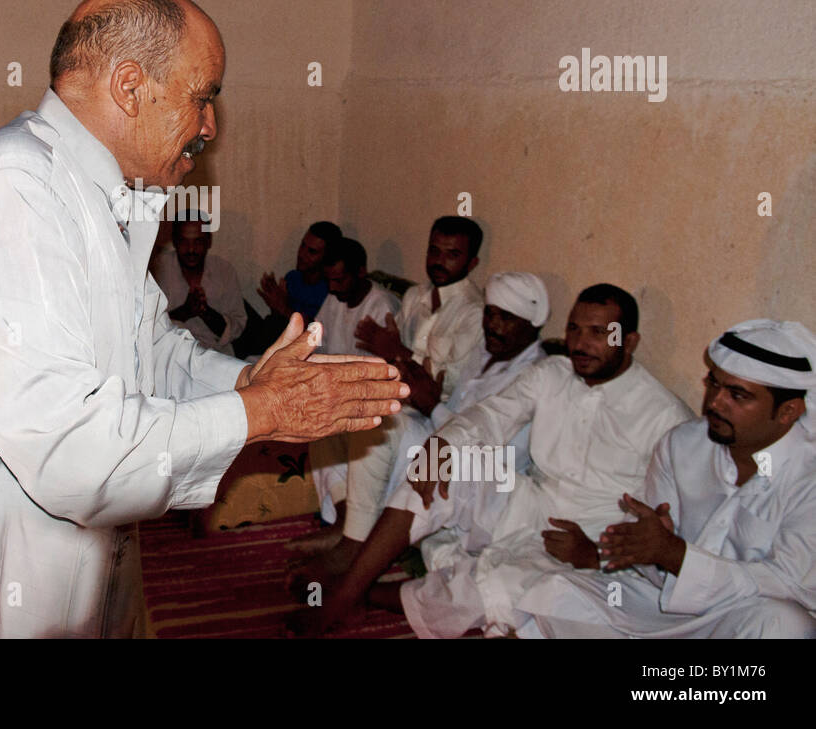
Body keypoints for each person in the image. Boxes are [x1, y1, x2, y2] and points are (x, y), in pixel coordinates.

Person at [0, 0, 410, 638]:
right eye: (203, 97)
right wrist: (261, 412)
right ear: (130, 87)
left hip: (70, 564)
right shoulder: (11, 192)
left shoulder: (99, 198)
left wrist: (247, 382)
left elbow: (150, 352)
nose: (209, 127)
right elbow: (71, 450)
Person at [292, 283, 694, 638]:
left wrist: (596, 553)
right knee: (438, 465)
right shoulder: (554, 372)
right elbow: (491, 416)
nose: (580, 343)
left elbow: (663, 526)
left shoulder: (666, 417)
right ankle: (346, 594)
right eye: (573, 328)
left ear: (632, 340)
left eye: (598, 333)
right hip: (533, 501)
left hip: (588, 535)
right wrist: (444, 444)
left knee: (502, 589)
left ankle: (365, 593)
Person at [517, 319, 816, 638]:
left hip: (738, 618)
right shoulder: (682, 444)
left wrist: (675, 554)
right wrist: (647, 550)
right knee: (556, 592)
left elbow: (791, 584)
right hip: (659, 607)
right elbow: (651, 562)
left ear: (788, 411)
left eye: (738, 395)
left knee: (785, 625)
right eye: (714, 384)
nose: (714, 402)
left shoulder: (808, 478)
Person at [291, 216, 485, 578]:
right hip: (401, 399)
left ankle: (352, 547)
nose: (439, 261)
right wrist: (395, 356)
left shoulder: (474, 314)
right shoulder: (414, 297)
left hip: (438, 422)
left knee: (374, 422)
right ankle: (346, 522)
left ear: (472, 262)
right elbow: (392, 361)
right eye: (434, 251)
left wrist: (397, 352)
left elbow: (438, 389)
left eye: (452, 254)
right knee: (326, 411)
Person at [295, 238, 401, 548]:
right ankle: (342, 518)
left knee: (328, 420)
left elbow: (382, 373)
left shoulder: (382, 307)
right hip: (337, 390)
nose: (333, 286)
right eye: (329, 279)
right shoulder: (335, 297)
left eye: (340, 279)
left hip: (370, 398)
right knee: (313, 420)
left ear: (362, 272)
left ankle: (347, 524)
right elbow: (317, 344)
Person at [151, 209, 246, 355]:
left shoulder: (224, 271)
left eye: (198, 241)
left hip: (216, 355)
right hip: (171, 356)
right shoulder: (158, 269)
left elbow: (238, 327)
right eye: (184, 241)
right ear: (175, 241)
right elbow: (147, 326)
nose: (191, 249)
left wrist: (206, 312)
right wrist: (184, 312)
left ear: (209, 241)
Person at [258, 221, 342, 325]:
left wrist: (284, 309)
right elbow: (279, 322)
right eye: (302, 245)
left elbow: (319, 334)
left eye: (312, 252)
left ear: (327, 257)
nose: (302, 254)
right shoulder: (292, 278)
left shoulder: (331, 290)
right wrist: (274, 303)